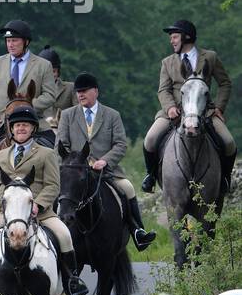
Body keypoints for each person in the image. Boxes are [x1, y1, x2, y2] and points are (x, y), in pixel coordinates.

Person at [0, 106, 89, 295]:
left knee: (65, 236)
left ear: (33, 128)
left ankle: (72, 281)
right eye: (17, 126)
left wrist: (38, 204)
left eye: (25, 125)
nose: (21, 128)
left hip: (38, 212)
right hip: (5, 212)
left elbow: (52, 185)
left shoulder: (46, 154)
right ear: (11, 129)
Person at [57, 73, 156, 250]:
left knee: (127, 188)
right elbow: (61, 144)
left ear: (96, 91)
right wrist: (74, 161)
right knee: (58, 194)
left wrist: (104, 161)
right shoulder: (67, 115)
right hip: (76, 171)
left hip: (105, 171)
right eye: (78, 91)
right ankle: (52, 233)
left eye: (84, 91)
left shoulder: (112, 115)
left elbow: (120, 144)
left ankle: (137, 231)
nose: (80, 94)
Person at [142, 19, 235, 193]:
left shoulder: (210, 57)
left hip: (204, 112)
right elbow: (163, 90)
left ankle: (225, 179)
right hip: (174, 112)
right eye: (171, 37)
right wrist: (169, 107)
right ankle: (151, 176)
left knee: (229, 142)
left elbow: (225, 83)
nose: (172, 41)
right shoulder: (167, 62)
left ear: (187, 37)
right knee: (150, 139)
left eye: (175, 37)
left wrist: (219, 108)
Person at [0, 20, 58, 131]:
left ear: (26, 42)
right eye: (8, 41)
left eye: (14, 41)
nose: (10, 45)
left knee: (51, 145)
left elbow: (50, 95)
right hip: (0, 122)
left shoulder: (44, 65)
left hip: (34, 121)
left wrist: (27, 105)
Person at [37, 46, 74, 130]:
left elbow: (79, 112)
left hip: (64, 131)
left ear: (58, 72)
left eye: (53, 71)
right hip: (40, 132)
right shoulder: (32, 90)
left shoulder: (70, 88)